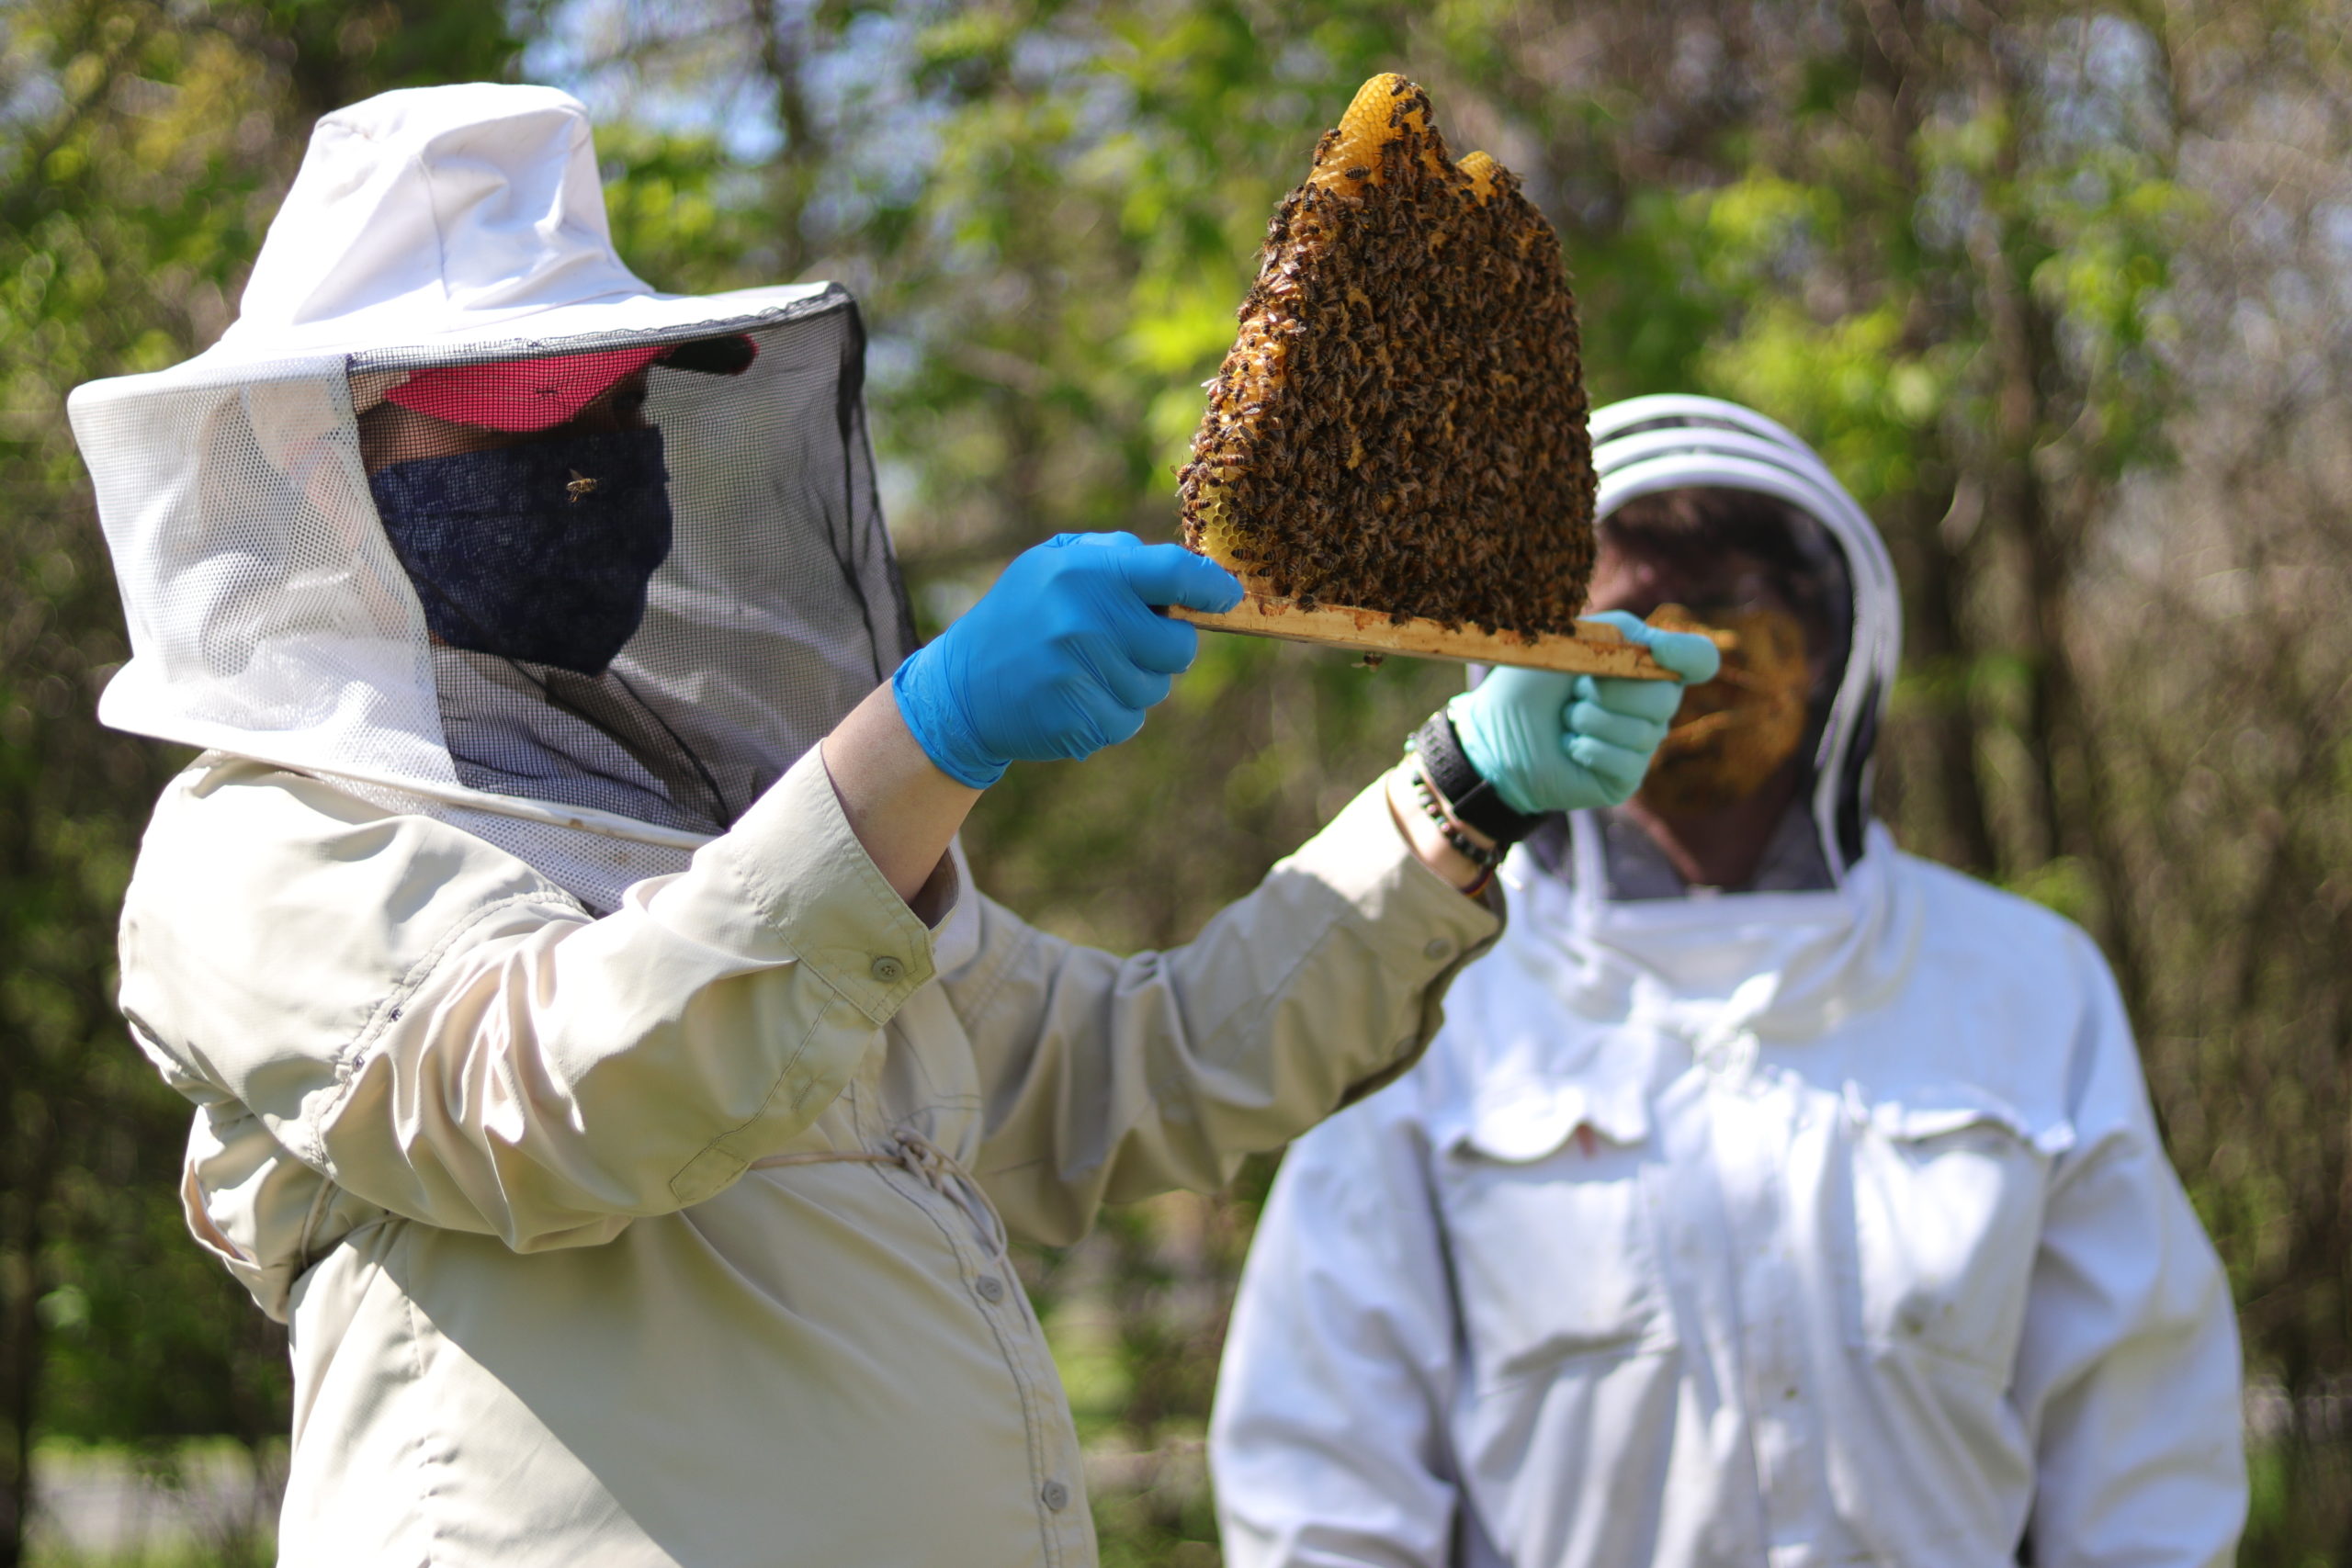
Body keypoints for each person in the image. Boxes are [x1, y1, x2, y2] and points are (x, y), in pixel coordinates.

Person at [67, 85, 1715, 1566]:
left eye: (625, 408)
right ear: (312, 461)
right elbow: (546, 1102)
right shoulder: (259, 839)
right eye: (530, 419)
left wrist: (1454, 797)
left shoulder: (698, 812)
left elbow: (1121, 1076)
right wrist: (921, 743)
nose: (606, 458)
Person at [1209, 396, 2247, 1568]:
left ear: (1831, 644)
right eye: (1623, 625)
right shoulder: (1431, 993)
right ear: (1530, 658)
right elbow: (1321, 1483)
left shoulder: (2023, 982)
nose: (1676, 670)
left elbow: (2143, 1458)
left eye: (1728, 620)